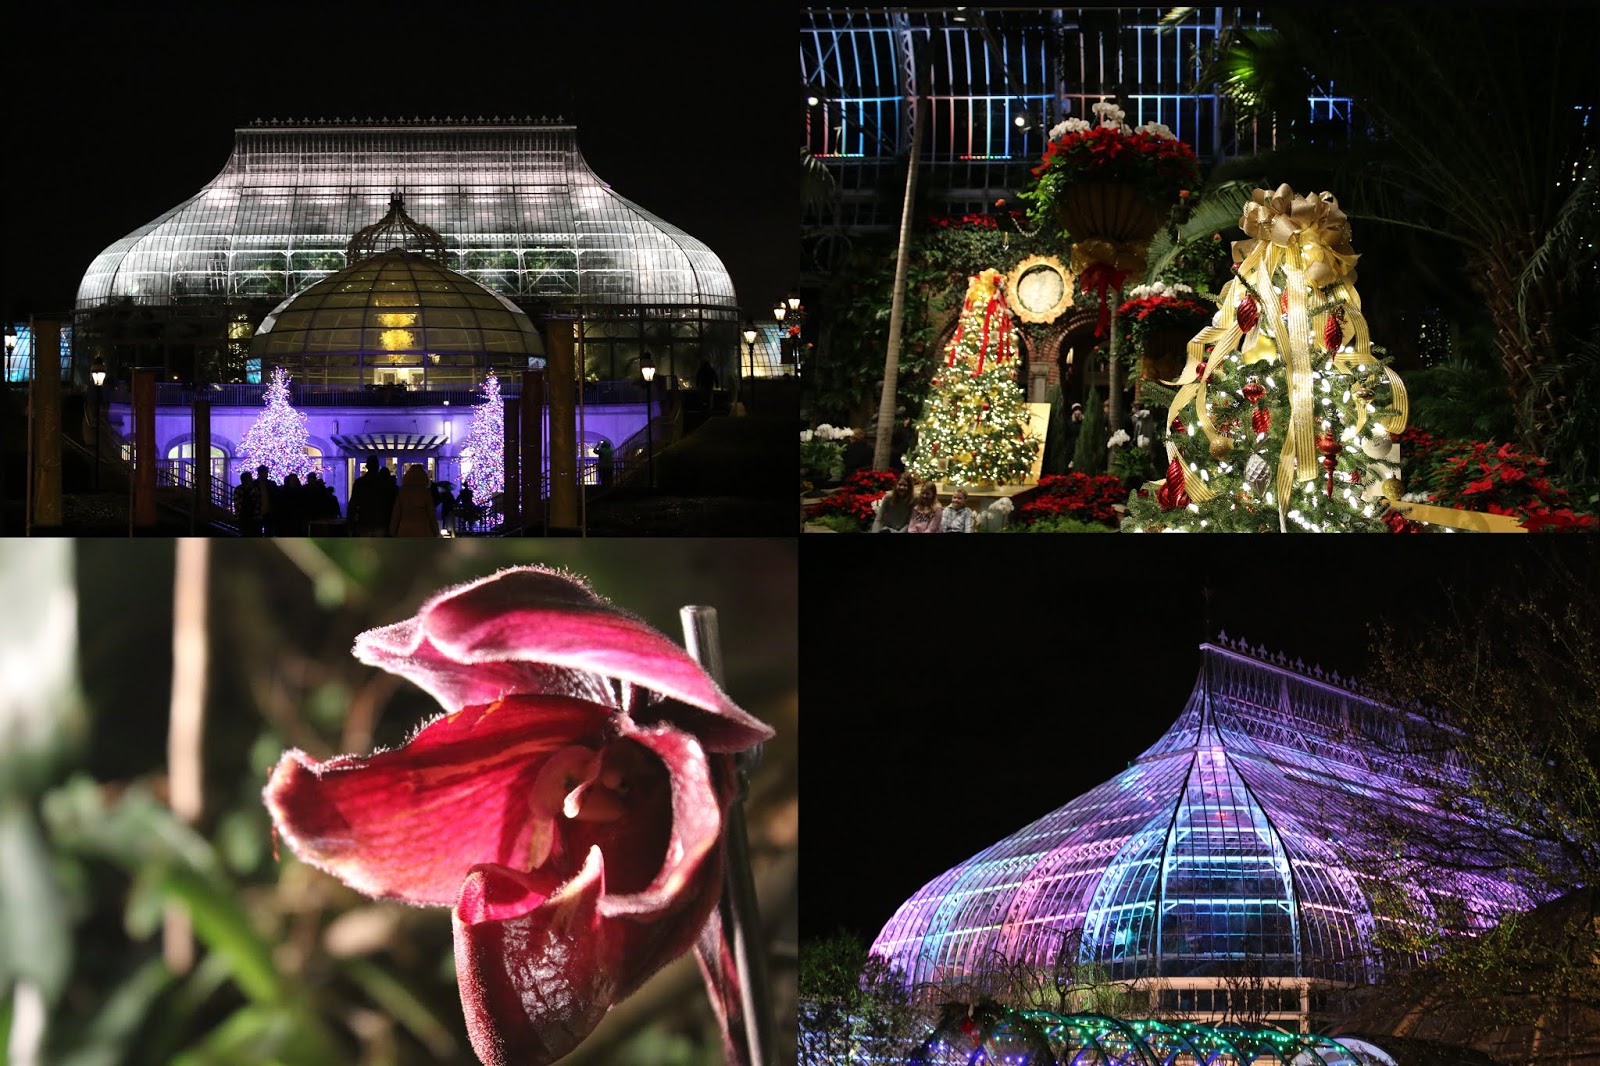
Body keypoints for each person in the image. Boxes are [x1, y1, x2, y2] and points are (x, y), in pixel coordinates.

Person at [347, 456, 397, 536]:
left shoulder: (359, 483)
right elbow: (391, 504)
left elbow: (353, 504)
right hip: (381, 522)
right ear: (378, 467)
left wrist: (350, 524)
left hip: (364, 521)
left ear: (367, 467)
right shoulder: (386, 484)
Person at [390, 463, 440, 537]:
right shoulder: (425, 492)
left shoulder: (403, 492)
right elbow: (431, 513)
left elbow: (397, 513)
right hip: (423, 529)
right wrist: (436, 531)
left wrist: (393, 530)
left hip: (405, 528)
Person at [254, 464, 277, 537]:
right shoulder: (254, 484)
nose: (265, 474)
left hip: (269, 512)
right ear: (259, 473)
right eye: (264, 473)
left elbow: (275, 495)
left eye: (266, 473)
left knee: (268, 532)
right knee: (257, 533)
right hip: (258, 512)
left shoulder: (271, 484)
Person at [233, 470, 259, 534]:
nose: (251, 480)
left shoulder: (253, 489)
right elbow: (237, 504)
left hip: (252, 517)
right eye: (250, 479)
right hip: (244, 516)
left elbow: (257, 502)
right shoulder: (239, 490)